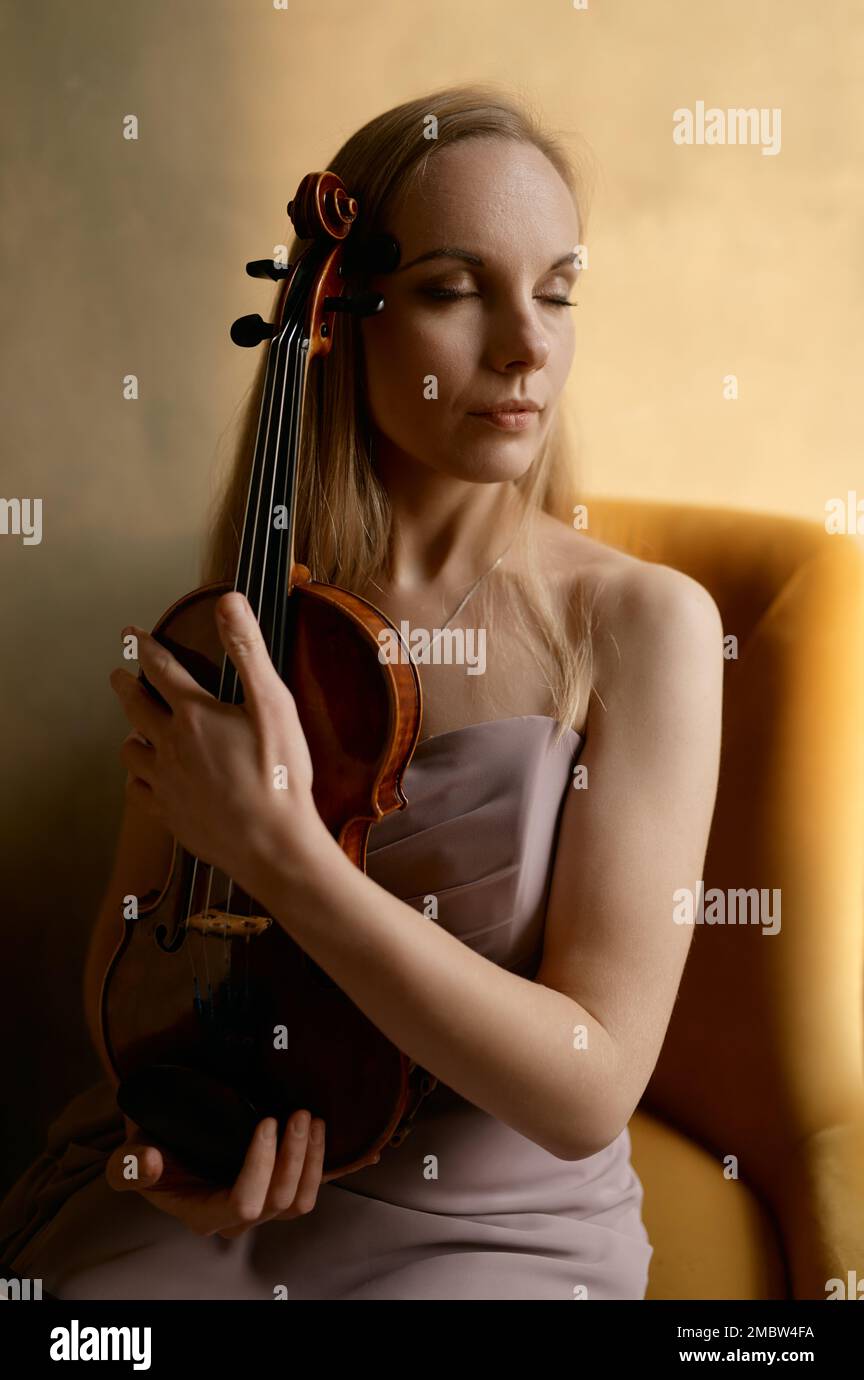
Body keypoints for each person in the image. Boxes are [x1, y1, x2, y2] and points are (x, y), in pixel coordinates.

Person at [0, 84, 723, 1300]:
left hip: (490, 1225)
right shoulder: (250, 610)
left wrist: (290, 861)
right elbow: (138, 948)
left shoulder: (646, 624)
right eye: (453, 289)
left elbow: (592, 1089)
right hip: (239, 1187)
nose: (525, 345)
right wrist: (180, 1137)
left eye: (555, 291)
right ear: (341, 315)